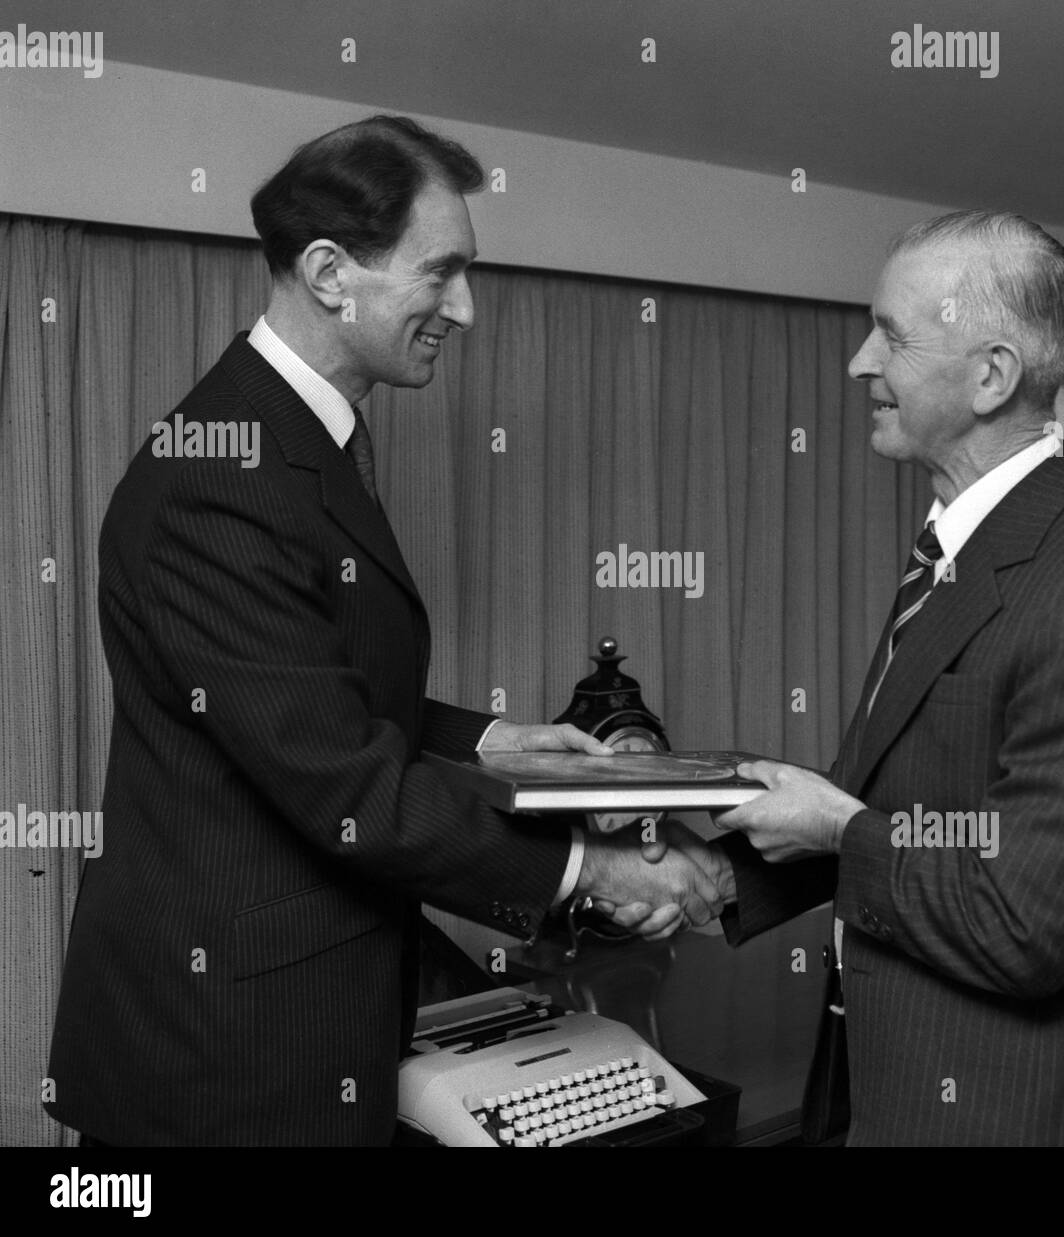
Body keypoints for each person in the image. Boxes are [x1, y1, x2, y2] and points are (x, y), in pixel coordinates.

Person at [44, 115, 718, 1147]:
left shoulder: (295, 440)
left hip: (294, 1010)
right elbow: (345, 780)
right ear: (328, 272)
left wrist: (496, 741)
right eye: (440, 272)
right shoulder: (218, 483)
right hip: (223, 1047)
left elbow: (318, 687)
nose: (466, 307)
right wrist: (597, 870)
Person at [672, 210, 1064, 1145]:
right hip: (892, 1079)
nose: (859, 362)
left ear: (991, 376)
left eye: (893, 336)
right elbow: (917, 801)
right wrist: (714, 875)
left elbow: (1024, 922)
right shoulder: (962, 546)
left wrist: (836, 823)